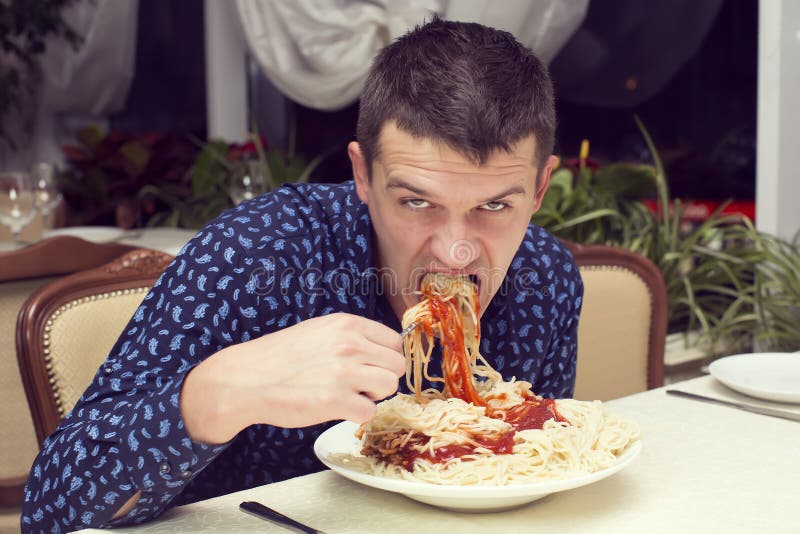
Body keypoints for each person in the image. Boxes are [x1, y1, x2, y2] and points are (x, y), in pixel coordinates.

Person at [21, 16, 583, 532]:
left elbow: (538, 479)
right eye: (417, 202)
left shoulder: (548, 280)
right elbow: (49, 510)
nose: (457, 252)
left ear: (539, 189)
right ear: (363, 175)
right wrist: (215, 395)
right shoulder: (256, 256)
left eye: (493, 207)